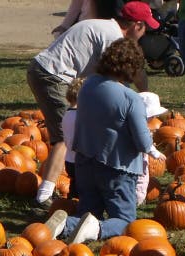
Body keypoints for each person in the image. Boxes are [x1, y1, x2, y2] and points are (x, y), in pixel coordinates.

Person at [27, 1, 156, 211]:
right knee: (63, 138)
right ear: (137, 25)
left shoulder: (104, 27)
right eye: (146, 28)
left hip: (44, 70)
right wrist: (143, 95)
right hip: (51, 75)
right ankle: (44, 198)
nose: (145, 34)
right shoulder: (113, 37)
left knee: (74, 132)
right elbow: (121, 76)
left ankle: (77, 187)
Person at [44, 38, 165, 243]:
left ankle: (66, 225)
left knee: (89, 210)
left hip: (85, 161)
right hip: (116, 166)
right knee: (125, 220)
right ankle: (96, 230)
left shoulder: (88, 85)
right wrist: (153, 150)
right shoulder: (130, 98)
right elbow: (142, 139)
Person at [136, 91, 169, 206]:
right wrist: (156, 153)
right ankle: (137, 200)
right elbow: (144, 143)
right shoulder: (140, 127)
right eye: (152, 115)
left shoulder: (133, 122)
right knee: (141, 180)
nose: (154, 117)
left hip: (132, 160)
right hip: (139, 161)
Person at [61, 77, 85, 200]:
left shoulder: (67, 114)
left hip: (69, 159)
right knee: (84, 187)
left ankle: (70, 205)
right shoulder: (79, 117)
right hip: (81, 160)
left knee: (75, 185)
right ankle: (79, 209)